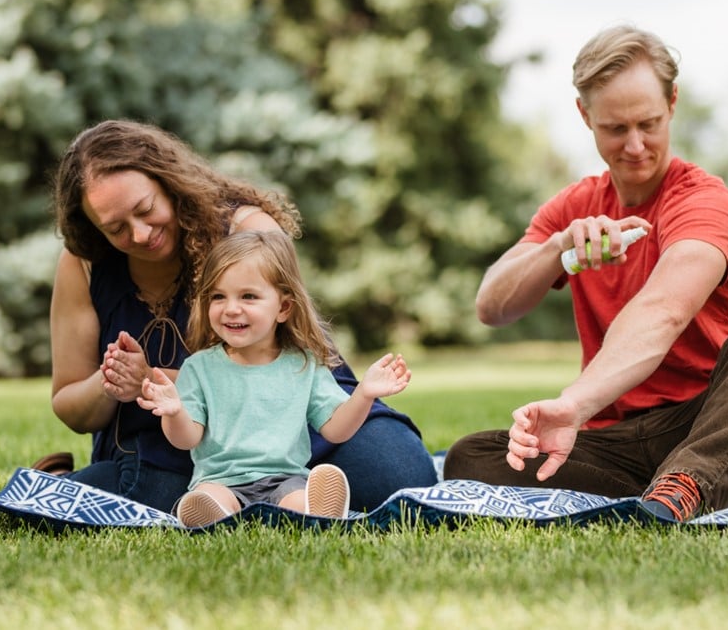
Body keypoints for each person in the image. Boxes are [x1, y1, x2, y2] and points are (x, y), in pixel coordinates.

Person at [441, 25, 728, 523]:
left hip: (716, 423)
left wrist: (572, 405)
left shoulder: (703, 203)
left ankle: (690, 484)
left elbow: (663, 313)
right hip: (617, 442)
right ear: (584, 115)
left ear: (672, 103)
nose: (635, 145)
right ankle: (679, 494)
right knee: (469, 457)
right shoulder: (576, 207)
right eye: (615, 129)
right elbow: (492, 306)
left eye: (648, 124)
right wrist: (559, 246)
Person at [39, 119, 437, 514]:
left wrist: (149, 377)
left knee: (397, 476)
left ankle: (297, 490)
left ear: (169, 183)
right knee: (164, 492)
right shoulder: (84, 264)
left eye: (145, 209)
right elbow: (70, 404)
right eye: (116, 229)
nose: (140, 234)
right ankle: (68, 485)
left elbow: (279, 360)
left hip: (299, 409)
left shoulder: (250, 232)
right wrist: (113, 381)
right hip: (189, 439)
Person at [134, 230, 412, 527]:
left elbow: (335, 430)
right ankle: (211, 515)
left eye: (248, 296)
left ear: (283, 307)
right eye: (218, 297)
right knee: (209, 497)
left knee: (297, 501)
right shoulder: (199, 368)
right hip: (221, 480)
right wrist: (174, 412)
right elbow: (186, 438)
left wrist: (364, 394)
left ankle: (315, 510)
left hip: (286, 479)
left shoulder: (304, 365)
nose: (231, 309)